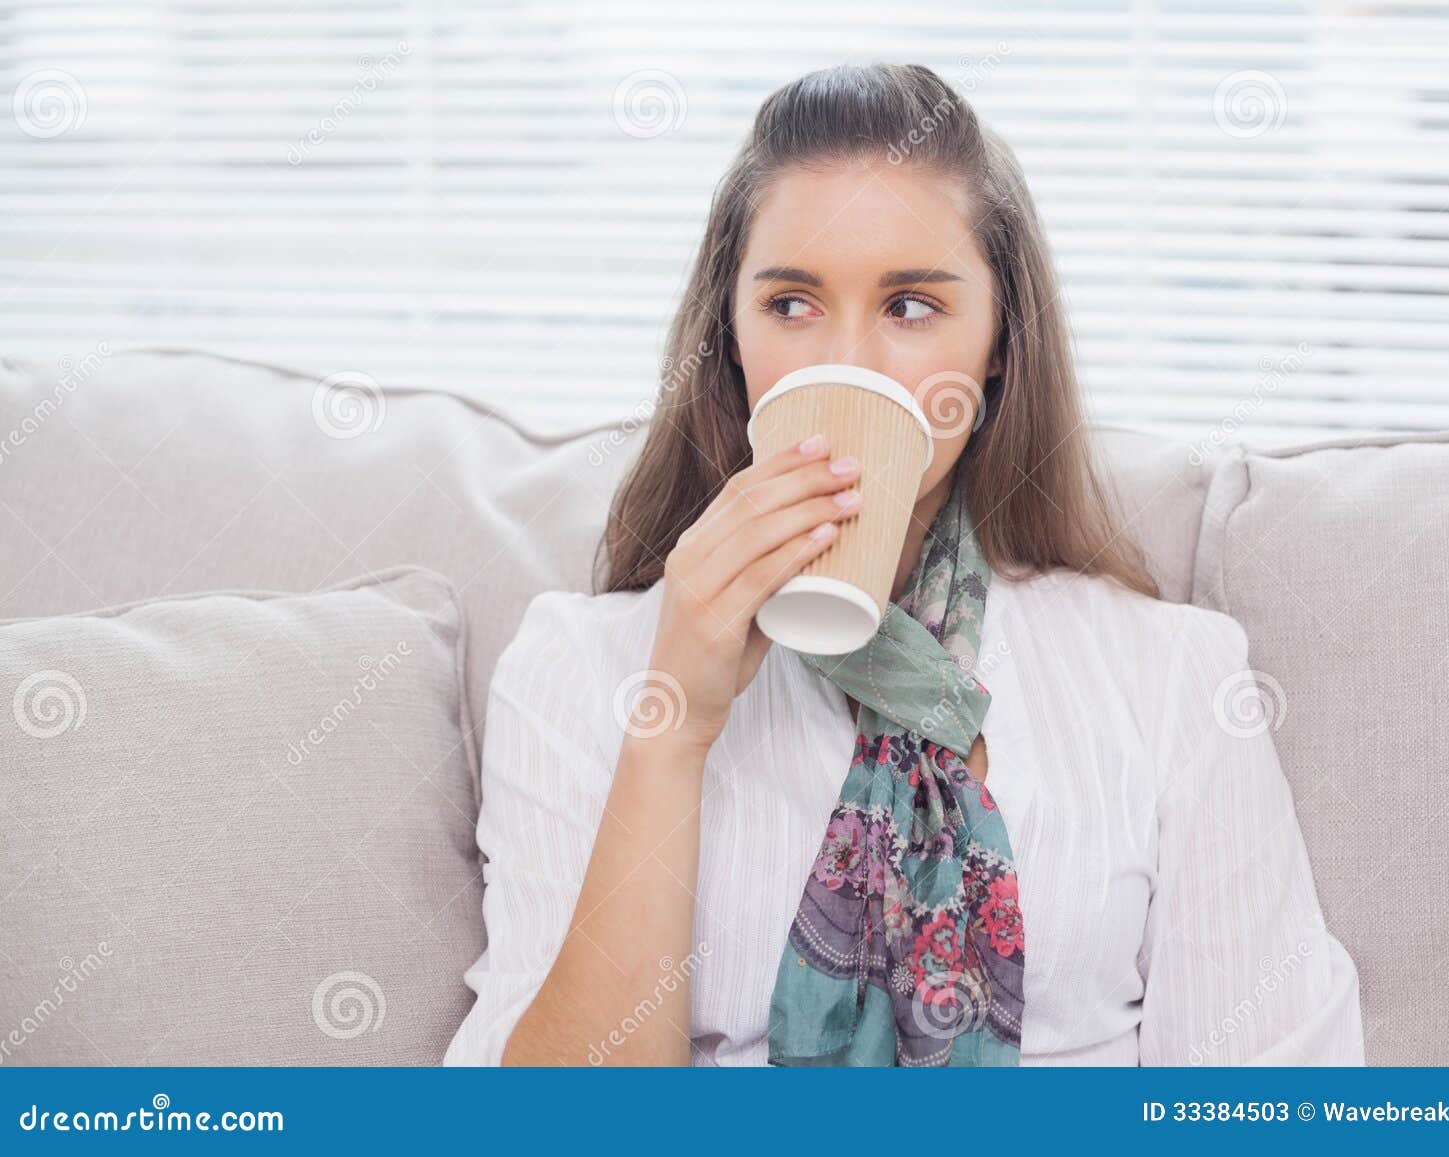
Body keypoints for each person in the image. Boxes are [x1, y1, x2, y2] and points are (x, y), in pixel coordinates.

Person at [443, 62, 1364, 1067]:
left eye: (911, 306)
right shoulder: (580, 670)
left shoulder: (1167, 675)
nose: (849, 364)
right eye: (791, 304)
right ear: (729, 341)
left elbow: (1275, 1089)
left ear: (998, 344)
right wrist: (673, 726)